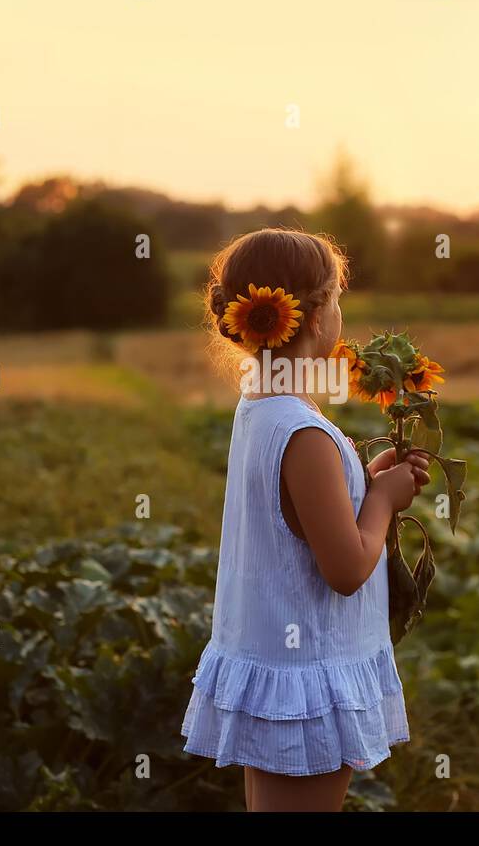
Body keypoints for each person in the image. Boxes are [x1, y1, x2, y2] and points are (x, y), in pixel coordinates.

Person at [180, 227, 429, 811]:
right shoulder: (305, 430)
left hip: (279, 665)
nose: (341, 314)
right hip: (308, 674)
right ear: (315, 315)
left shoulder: (263, 408)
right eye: (337, 299)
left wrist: (367, 483)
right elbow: (345, 567)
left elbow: (300, 515)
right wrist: (385, 501)